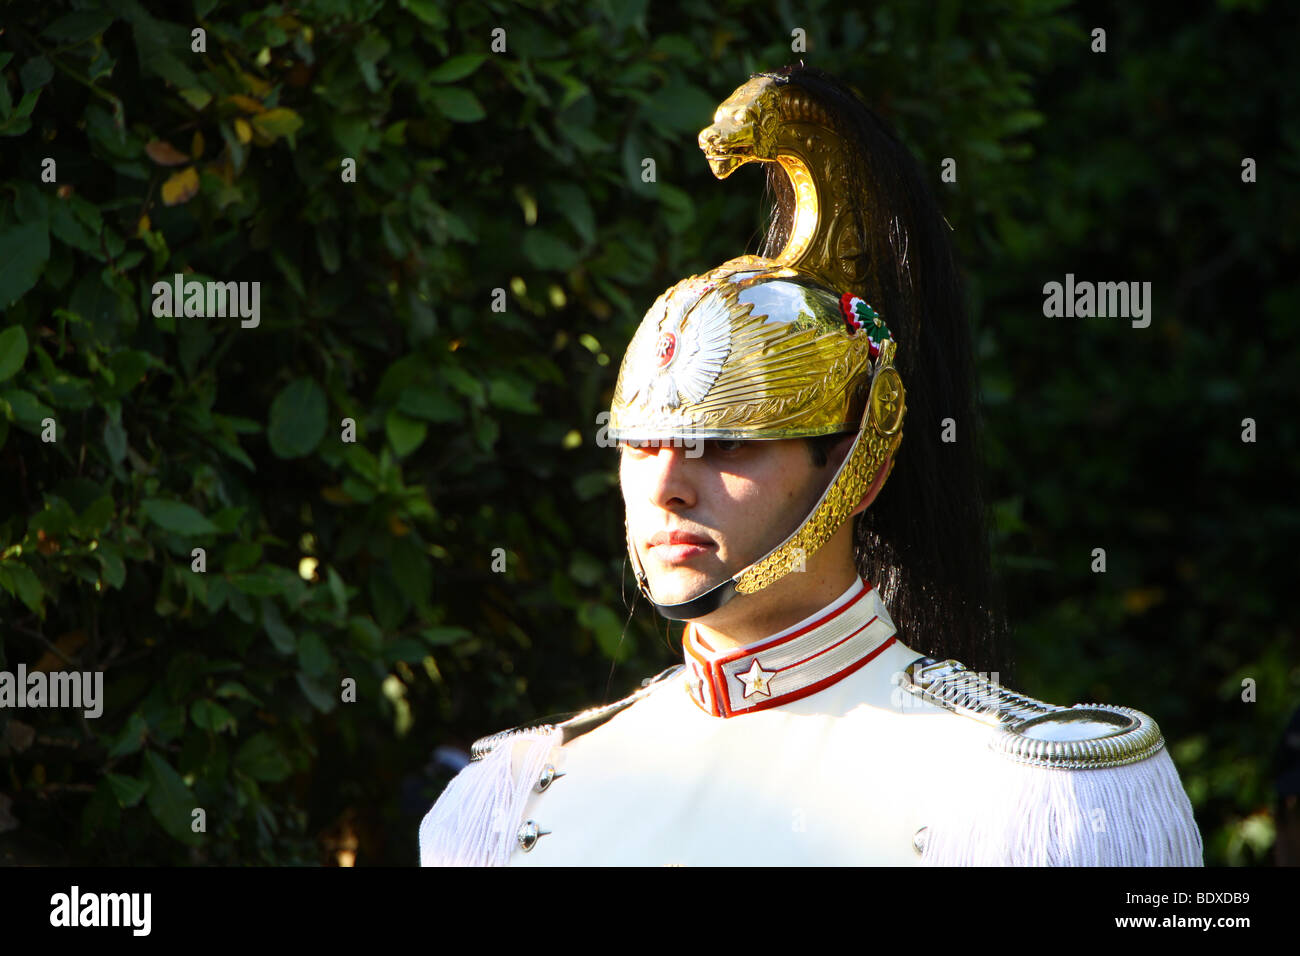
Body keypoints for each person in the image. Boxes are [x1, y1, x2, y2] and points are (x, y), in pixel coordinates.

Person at [418, 65, 1203, 866]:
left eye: (726, 446)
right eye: (642, 445)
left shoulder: (1029, 795)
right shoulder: (516, 795)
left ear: (860, 467)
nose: (665, 486)